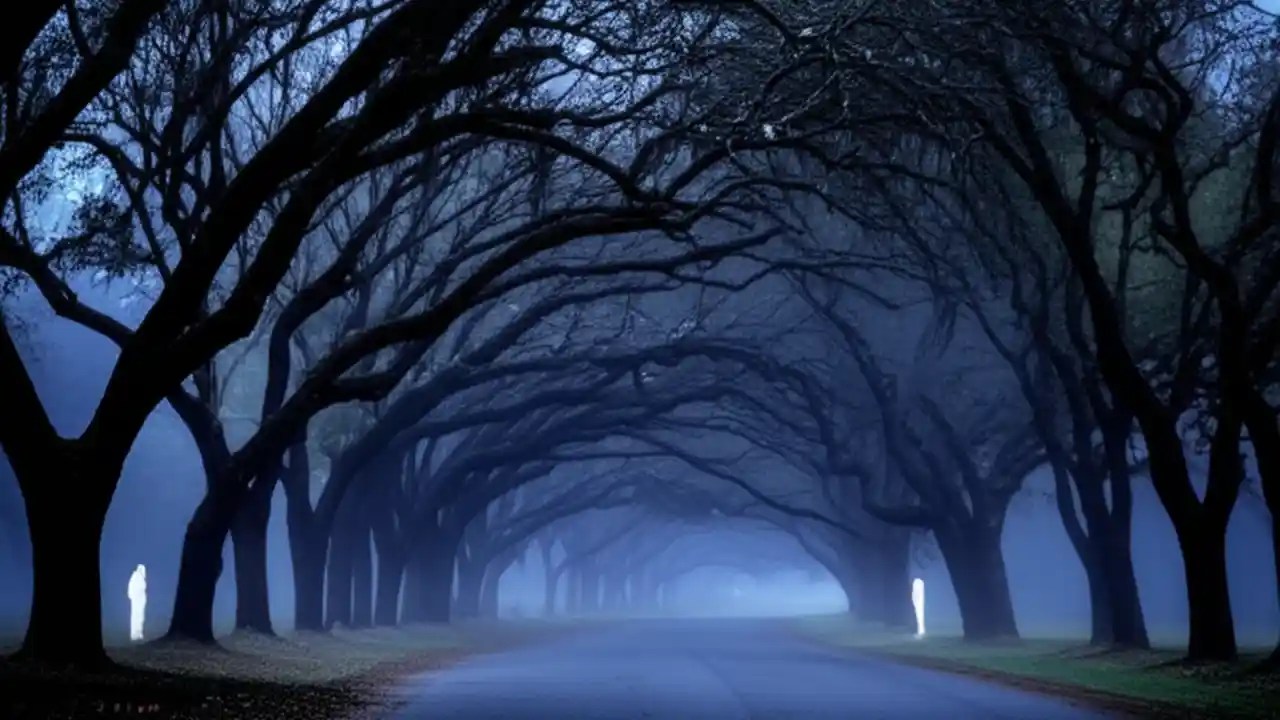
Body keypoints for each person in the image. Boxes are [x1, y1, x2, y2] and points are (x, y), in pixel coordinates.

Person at [127, 564, 147, 642]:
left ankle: (138, 633)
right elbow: (132, 589)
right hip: (137, 601)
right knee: (136, 617)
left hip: (140, 601)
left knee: (140, 617)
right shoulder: (136, 577)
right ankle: (135, 634)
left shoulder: (140, 578)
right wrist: (134, 597)